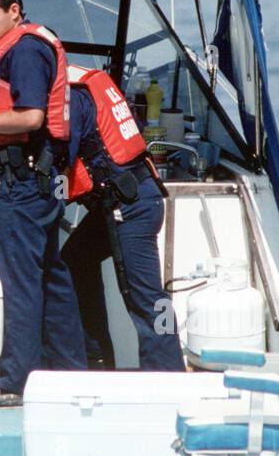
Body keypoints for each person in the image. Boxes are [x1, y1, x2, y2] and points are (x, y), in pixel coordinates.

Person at [0, 0, 86, 408]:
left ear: (14, 11)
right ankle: (69, 372)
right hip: (37, 182)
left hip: (23, 185)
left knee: (21, 284)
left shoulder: (25, 51)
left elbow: (30, 118)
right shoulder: (22, 46)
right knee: (52, 275)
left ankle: (16, 384)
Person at [60, 67, 185, 371]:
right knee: (74, 259)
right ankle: (98, 358)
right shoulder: (86, 87)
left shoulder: (74, 99)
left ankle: (168, 371)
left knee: (148, 298)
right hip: (127, 199)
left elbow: (63, 159)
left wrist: (44, 200)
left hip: (133, 207)